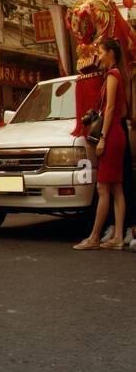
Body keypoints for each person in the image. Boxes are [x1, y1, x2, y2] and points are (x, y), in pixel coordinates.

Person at [75, 38, 128, 251]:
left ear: (111, 53)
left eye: (101, 51)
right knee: (115, 188)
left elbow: (111, 108)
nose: (99, 55)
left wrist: (103, 136)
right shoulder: (114, 75)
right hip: (115, 132)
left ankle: (95, 236)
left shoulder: (114, 75)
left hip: (112, 135)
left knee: (103, 187)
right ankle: (117, 238)